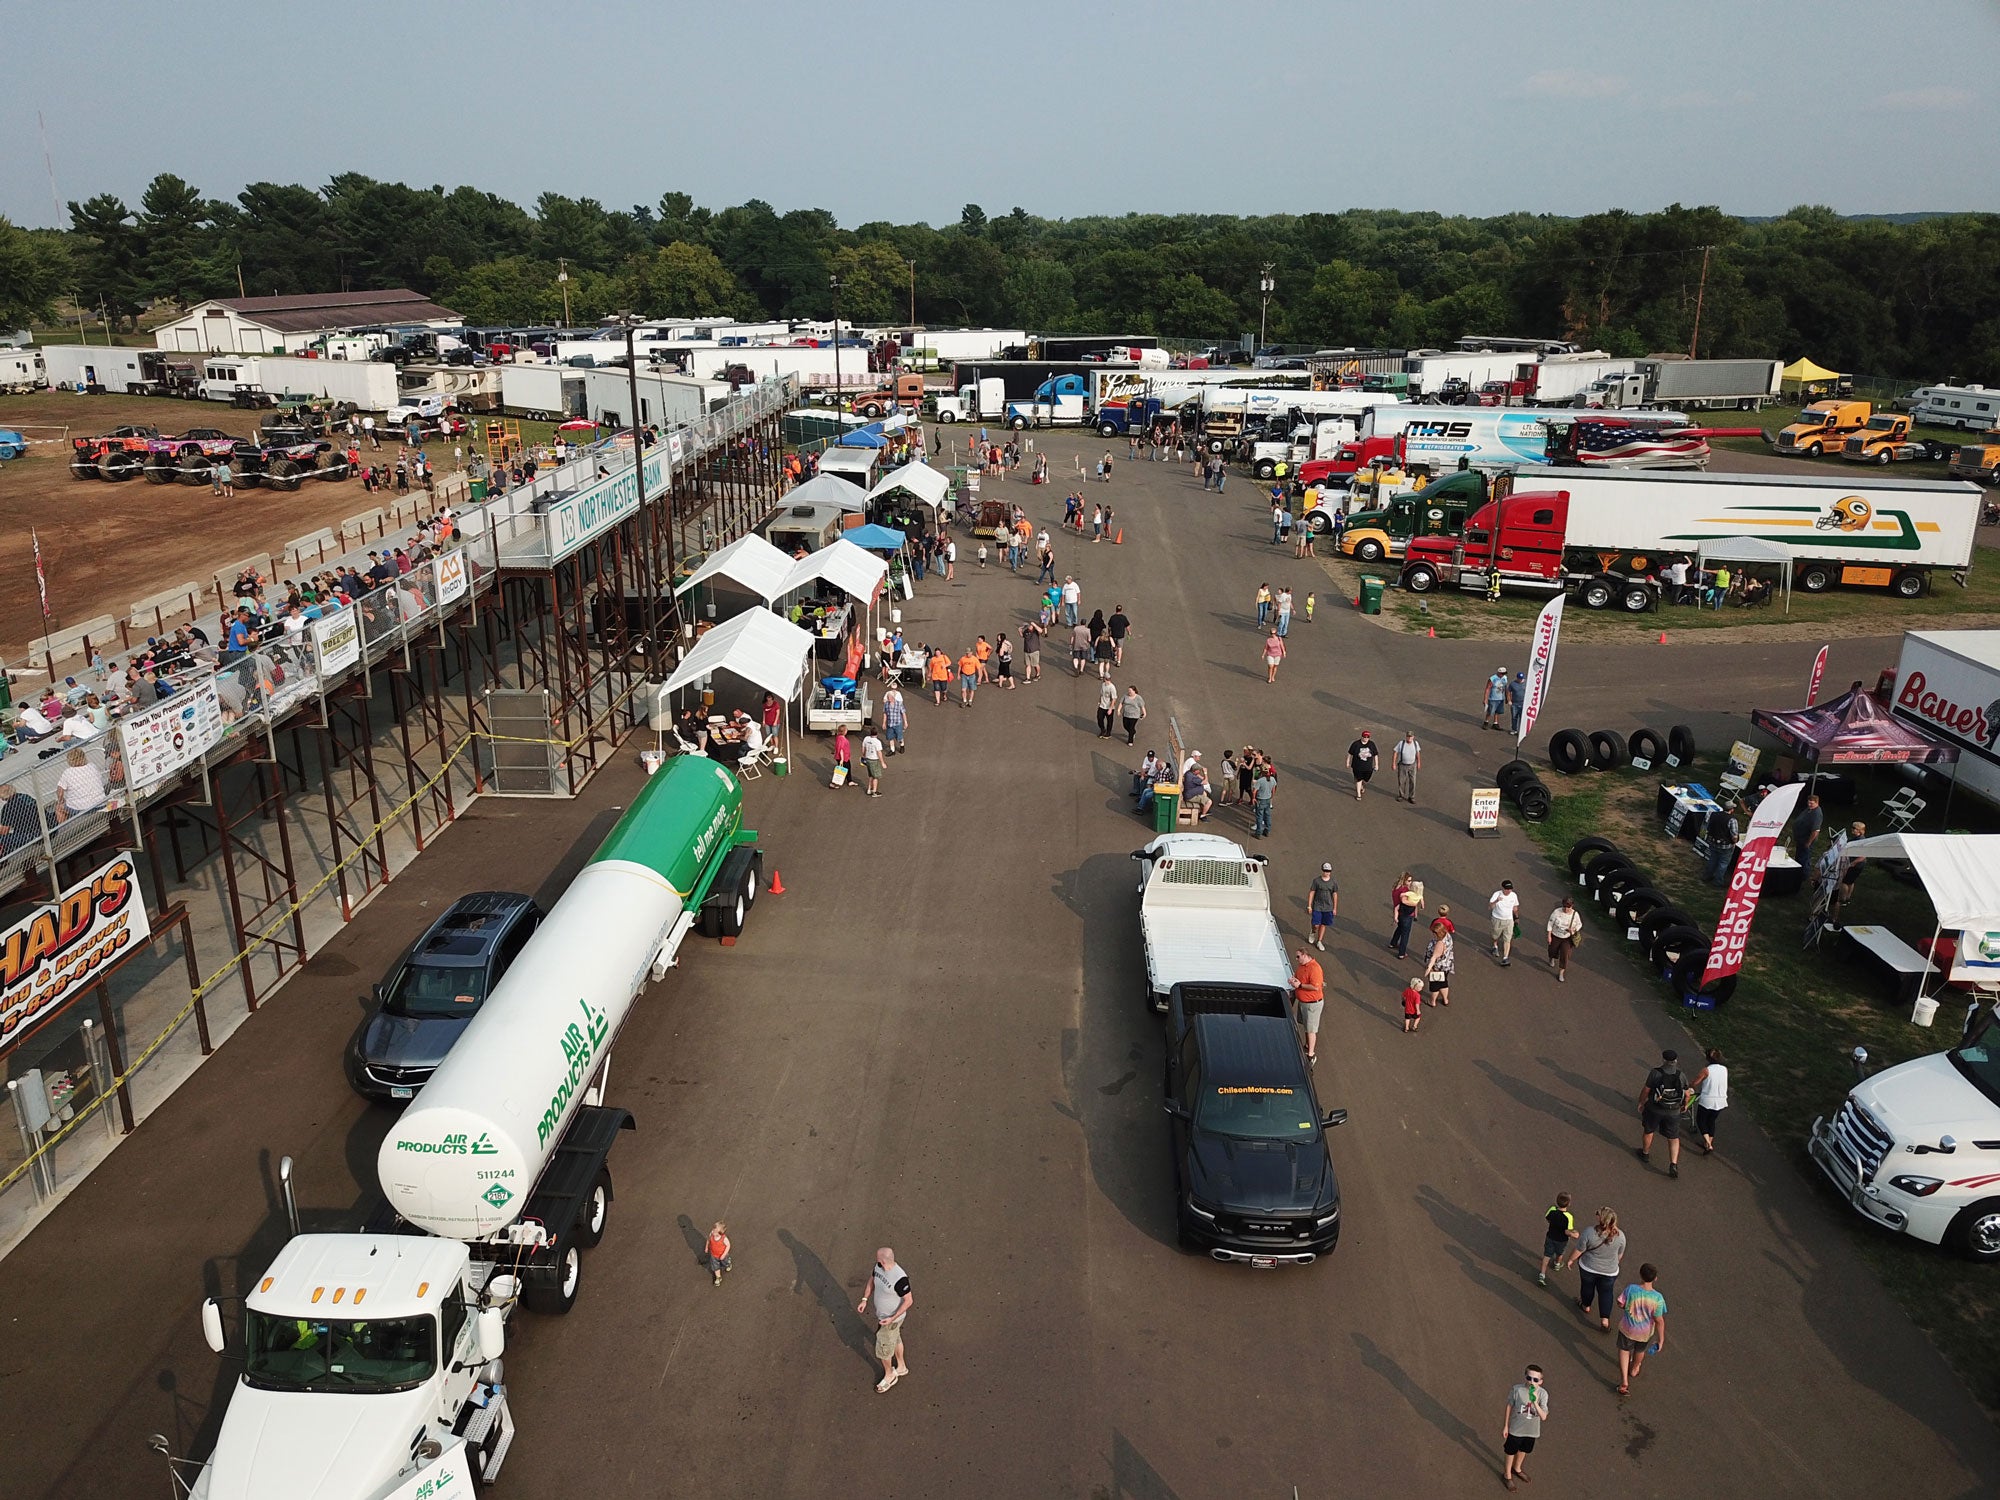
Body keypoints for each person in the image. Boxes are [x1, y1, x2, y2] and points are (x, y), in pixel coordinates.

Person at [858, 1247, 913, 1394]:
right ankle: (901, 1367)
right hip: (885, 1318)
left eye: (878, 1259)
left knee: (883, 1350)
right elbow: (872, 1279)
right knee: (896, 1339)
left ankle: (890, 1375)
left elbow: (908, 1301)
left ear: (883, 1260)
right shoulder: (879, 1267)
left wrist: (891, 1319)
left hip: (890, 1321)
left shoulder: (900, 1278)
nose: (876, 1261)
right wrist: (864, 1299)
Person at [1563, 1206, 1626, 1331]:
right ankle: (1605, 1320)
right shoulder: (1621, 1236)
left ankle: (1586, 1305)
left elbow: (1579, 1249)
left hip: (1588, 1268)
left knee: (1587, 1287)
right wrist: (1612, 1265)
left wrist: (1570, 1260)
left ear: (1601, 1219)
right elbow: (1619, 1255)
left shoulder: (1589, 1232)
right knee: (1606, 1293)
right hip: (1610, 1272)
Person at [1637, 1047, 1690, 1177]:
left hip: (1655, 1109)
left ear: (1664, 1060)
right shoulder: (1681, 1075)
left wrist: (1641, 1102)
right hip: (1674, 1111)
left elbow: (1646, 1090)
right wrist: (1685, 1105)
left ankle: (1645, 1153)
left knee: (1649, 1130)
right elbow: (1687, 1093)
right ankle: (1673, 1164)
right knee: (1673, 1137)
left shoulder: (1656, 1073)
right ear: (1676, 1061)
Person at [1614, 1265, 1667, 1395]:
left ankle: (1624, 1381)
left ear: (1640, 1275)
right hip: (1644, 1333)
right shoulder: (1658, 1298)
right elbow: (1659, 1320)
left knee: (1624, 1350)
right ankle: (1635, 1368)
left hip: (1628, 1328)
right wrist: (1661, 1339)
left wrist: (1627, 1306)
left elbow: (1620, 1303)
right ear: (1655, 1278)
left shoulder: (1631, 1289)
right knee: (1640, 1350)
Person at [1501, 1365, 1550, 1492]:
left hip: (1531, 1431)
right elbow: (1509, 1406)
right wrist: (1506, 1425)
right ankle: (1507, 1475)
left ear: (1541, 1381)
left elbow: (1543, 1416)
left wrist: (1534, 1401)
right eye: (1529, 1378)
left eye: (1535, 1379)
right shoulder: (1517, 1389)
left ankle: (1517, 1468)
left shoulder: (1543, 1394)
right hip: (1516, 1429)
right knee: (1510, 1451)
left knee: (1524, 1450)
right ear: (1525, 1377)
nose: (1532, 1382)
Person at [1690, 1047, 1728, 1155]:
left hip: (1707, 1100)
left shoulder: (1706, 1070)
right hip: (1721, 1101)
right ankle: (1708, 1143)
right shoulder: (1724, 1069)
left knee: (1701, 1120)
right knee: (1711, 1121)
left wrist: (1689, 1087)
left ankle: (1708, 1143)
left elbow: (1695, 1082)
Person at [1291, 946, 1325, 1063]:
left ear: (1305, 955)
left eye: (1298, 956)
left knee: (1311, 1029)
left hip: (1312, 1005)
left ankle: (1311, 1054)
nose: (1296, 959)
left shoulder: (1315, 968)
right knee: (1306, 1025)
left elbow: (1315, 987)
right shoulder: (1302, 966)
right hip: (1303, 1003)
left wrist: (1300, 985)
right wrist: (1293, 980)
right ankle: (1307, 1045)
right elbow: (1298, 977)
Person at [1538, 1191, 1578, 1288]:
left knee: (1547, 1255)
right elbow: (1567, 1231)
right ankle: (1557, 1263)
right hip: (1562, 1240)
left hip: (1550, 1236)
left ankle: (1542, 1274)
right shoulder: (1569, 1217)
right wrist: (1574, 1234)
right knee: (1560, 1253)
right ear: (1569, 1203)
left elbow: (1547, 1218)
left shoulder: (1552, 1210)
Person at [55, 748, 107, 822]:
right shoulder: (92, 766)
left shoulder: (67, 773)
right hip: (100, 803)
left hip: (81, 809)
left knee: (59, 808)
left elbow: (60, 793)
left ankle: (67, 830)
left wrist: (61, 801)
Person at [1546, 896, 1583, 981]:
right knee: (1552, 950)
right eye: (1565, 907)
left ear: (1572, 906)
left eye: (1568, 907)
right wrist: (1549, 935)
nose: (1566, 909)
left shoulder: (1575, 914)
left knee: (1565, 954)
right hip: (1556, 935)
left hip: (1567, 938)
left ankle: (1561, 972)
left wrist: (1574, 930)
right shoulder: (1556, 912)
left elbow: (1579, 924)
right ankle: (1551, 957)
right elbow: (1550, 923)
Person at [1389, 872, 1424, 958]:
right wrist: (1415, 903)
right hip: (1406, 915)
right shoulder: (1405, 891)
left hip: (1399, 913)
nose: (1410, 882)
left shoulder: (1396, 889)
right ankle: (1402, 953)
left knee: (1400, 928)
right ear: (1404, 880)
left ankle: (1393, 943)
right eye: (1409, 881)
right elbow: (1405, 901)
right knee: (1405, 934)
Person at [1423, 918, 1455, 1007]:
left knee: (1435, 986)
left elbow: (1434, 957)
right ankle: (1445, 1000)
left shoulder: (1439, 944)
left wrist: (1429, 968)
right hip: (1446, 964)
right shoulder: (1447, 936)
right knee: (1443, 983)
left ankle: (1432, 1002)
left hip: (1437, 967)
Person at [1488, 880, 1520, 965]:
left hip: (1509, 920)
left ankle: (1505, 958)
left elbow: (1515, 907)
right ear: (1503, 888)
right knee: (1495, 935)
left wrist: (1516, 917)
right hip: (1497, 919)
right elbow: (1490, 907)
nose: (1509, 891)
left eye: (1510, 889)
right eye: (1507, 889)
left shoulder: (1513, 895)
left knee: (1508, 939)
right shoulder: (1497, 894)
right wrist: (1496, 901)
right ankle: (1495, 946)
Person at [1308, 863, 1339, 950]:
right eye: (1325, 871)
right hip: (1317, 906)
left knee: (1323, 924)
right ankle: (1313, 931)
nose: (1327, 873)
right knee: (1316, 924)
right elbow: (1312, 892)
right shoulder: (1316, 881)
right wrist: (1309, 906)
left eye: (1328, 871)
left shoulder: (1333, 882)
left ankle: (1319, 941)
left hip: (1328, 907)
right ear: (1322, 870)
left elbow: (1335, 894)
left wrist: (1334, 908)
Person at [1790, 793, 1824, 864]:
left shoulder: (1817, 814)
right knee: (1798, 858)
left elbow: (1815, 831)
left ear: (1817, 803)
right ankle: (1797, 871)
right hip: (1800, 839)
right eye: (1808, 803)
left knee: (1804, 860)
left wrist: (1809, 842)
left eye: (1811, 803)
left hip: (1806, 841)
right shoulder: (1809, 809)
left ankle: (1804, 874)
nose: (1809, 805)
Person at [1347, 729, 1378, 801]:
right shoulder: (1356, 744)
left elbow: (1375, 755)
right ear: (1361, 737)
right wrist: (1348, 762)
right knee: (1359, 779)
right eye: (1364, 737)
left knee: (1366, 779)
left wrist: (1376, 765)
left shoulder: (1371, 744)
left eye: (1367, 737)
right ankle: (1358, 794)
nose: (1366, 738)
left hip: (1368, 767)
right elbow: (1350, 753)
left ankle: (1362, 785)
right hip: (1357, 766)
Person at [1393, 731, 1422, 803]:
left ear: (1413, 737)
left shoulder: (1415, 744)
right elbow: (1395, 752)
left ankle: (1411, 797)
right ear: (1406, 737)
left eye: (1411, 736)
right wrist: (1393, 763)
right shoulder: (1401, 743)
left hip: (1412, 765)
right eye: (1408, 736)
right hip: (1402, 765)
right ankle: (1401, 795)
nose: (1409, 738)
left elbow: (1418, 753)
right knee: (1401, 781)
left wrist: (1418, 763)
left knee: (1413, 781)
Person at [1250, 759, 1276, 839]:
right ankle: (1267, 830)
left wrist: (1253, 798)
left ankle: (1258, 833)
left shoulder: (1260, 781)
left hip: (1260, 800)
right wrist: (1272, 796)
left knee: (1259, 816)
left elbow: (1254, 791)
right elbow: (1273, 789)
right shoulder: (1272, 779)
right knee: (1267, 815)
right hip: (1267, 799)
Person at [1182, 756, 1212, 821]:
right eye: (1199, 770)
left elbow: (1199, 779)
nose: (1200, 771)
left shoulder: (1188, 773)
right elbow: (1205, 782)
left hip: (1189, 792)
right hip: (1191, 796)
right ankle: (1203, 815)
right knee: (1209, 802)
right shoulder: (1193, 778)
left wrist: (1199, 776)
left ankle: (1204, 808)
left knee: (1204, 793)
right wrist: (1205, 773)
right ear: (1195, 771)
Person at [859, 724, 886, 797]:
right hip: (874, 760)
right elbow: (879, 753)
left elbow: (863, 748)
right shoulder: (877, 742)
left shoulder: (866, 739)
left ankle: (869, 789)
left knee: (871, 775)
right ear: (877, 733)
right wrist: (882, 762)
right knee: (875, 777)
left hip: (867, 759)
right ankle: (874, 791)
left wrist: (864, 755)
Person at [706, 1222, 732, 1286]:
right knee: (715, 1267)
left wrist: (723, 1254)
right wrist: (706, 1247)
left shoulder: (724, 1239)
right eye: (713, 1229)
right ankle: (718, 1277)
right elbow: (708, 1240)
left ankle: (728, 1264)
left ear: (720, 1233)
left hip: (723, 1255)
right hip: (714, 1255)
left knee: (725, 1263)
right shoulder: (711, 1234)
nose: (713, 1231)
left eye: (715, 1231)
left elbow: (728, 1245)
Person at [1020, 619, 1043, 683]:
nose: (1029, 627)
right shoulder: (1026, 631)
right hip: (1027, 651)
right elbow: (1023, 636)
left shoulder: (1035, 631)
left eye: (1030, 625)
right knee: (1028, 665)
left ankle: (1038, 674)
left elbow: (1041, 631)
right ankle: (1028, 678)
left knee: (1035, 664)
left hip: (1034, 651)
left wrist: (1034, 625)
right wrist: (1020, 631)